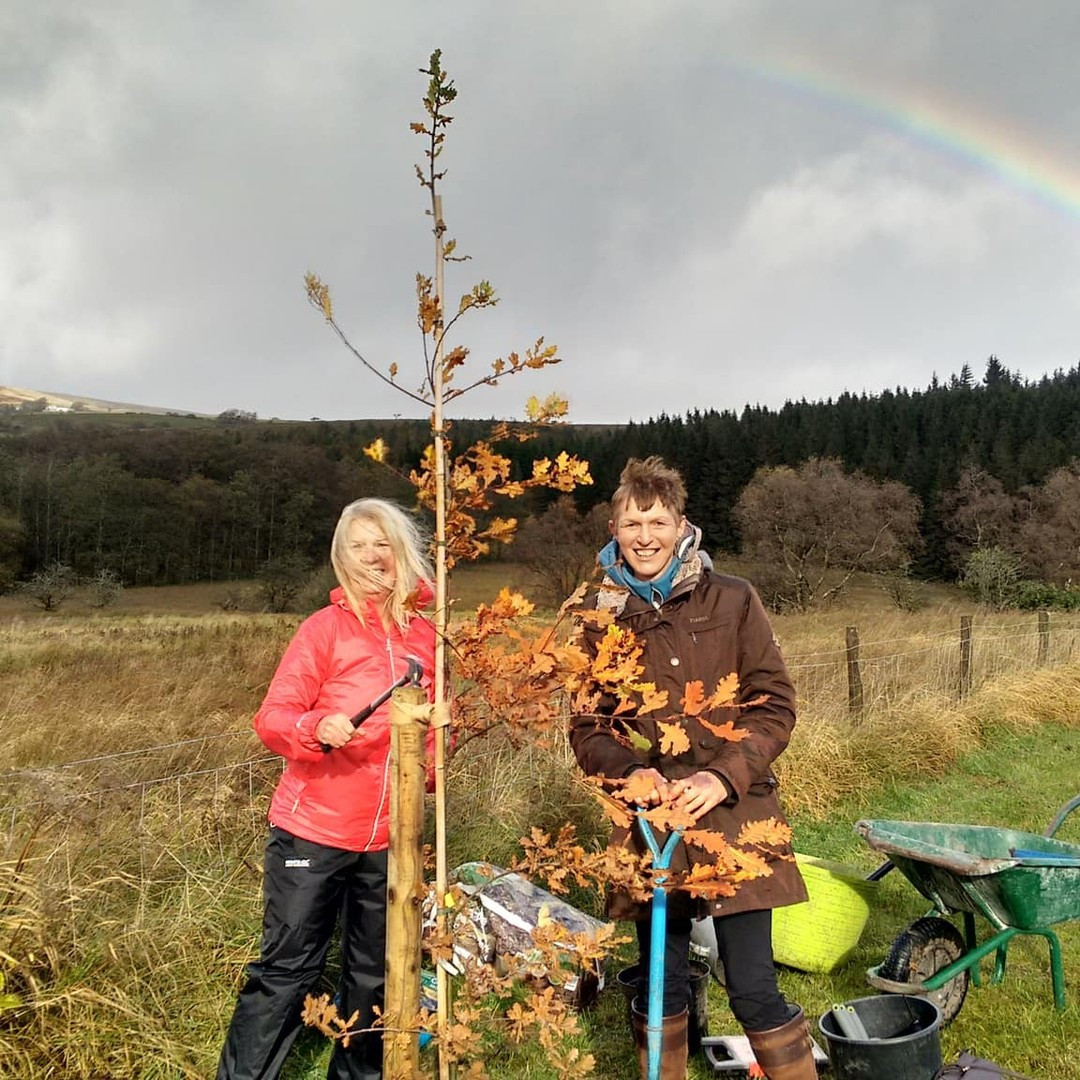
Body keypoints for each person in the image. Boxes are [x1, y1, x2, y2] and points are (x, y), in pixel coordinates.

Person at [570, 457, 815, 1080]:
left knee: (753, 986)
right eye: (632, 522)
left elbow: (775, 704)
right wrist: (629, 773)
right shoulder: (597, 616)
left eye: (657, 520)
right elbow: (586, 723)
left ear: (683, 526)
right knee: (661, 984)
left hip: (735, 812)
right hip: (652, 822)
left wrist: (722, 775)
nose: (645, 535)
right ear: (614, 528)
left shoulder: (731, 598)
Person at [217, 498, 437, 1080]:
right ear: (342, 558)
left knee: (373, 970)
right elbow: (273, 717)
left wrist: (434, 760)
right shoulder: (324, 629)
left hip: (393, 835)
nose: (371, 558)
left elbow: (437, 739)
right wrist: (315, 727)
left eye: (381, 543)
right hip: (312, 828)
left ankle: (358, 1075)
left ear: (402, 551)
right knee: (289, 969)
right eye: (357, 546)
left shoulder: (429, 639)